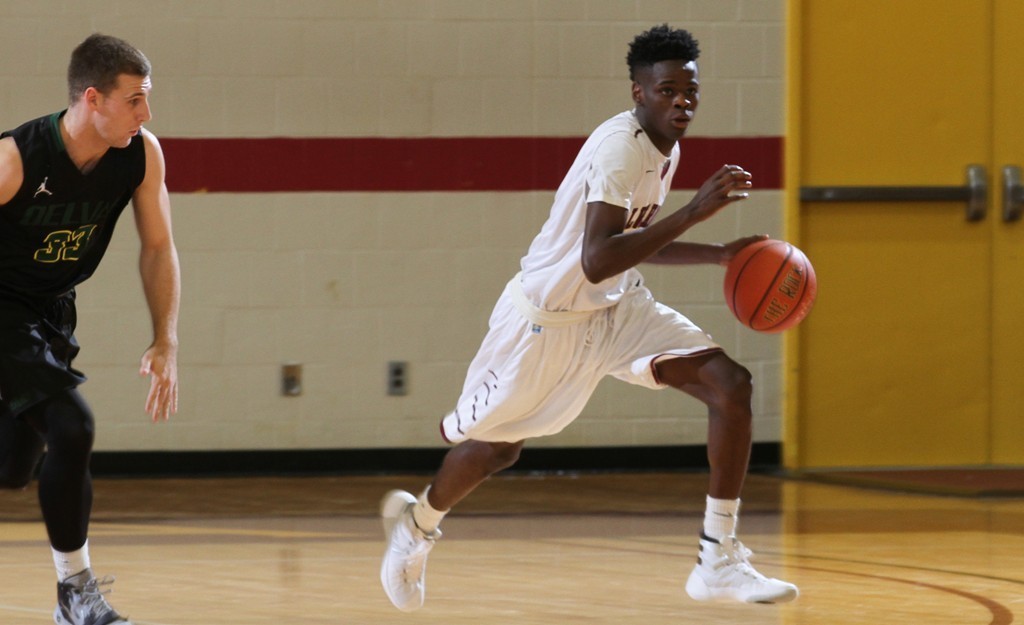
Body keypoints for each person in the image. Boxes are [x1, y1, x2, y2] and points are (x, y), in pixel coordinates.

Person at [379, 24, 798, 611]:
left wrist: (722, 255)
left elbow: (632, 244)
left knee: (731, 385)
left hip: (618, 306)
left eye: (691, 90)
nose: (683, 101)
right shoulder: (620, 148)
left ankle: (717, 559)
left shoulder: (665, 148)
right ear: (639, 92)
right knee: (499, 448)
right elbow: (597, 258)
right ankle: (416, 528)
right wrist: (695, 213)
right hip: (546, 321)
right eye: (668, 90)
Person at [0, 34, 179, 625]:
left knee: (12, 469)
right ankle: (75, 596)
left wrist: (165, 338)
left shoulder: (140, 154)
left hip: (51, 310)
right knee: (73, 427)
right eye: (135, 100)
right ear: (94, 99)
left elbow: (157, 247)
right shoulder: (15, 160)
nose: (146, 114)